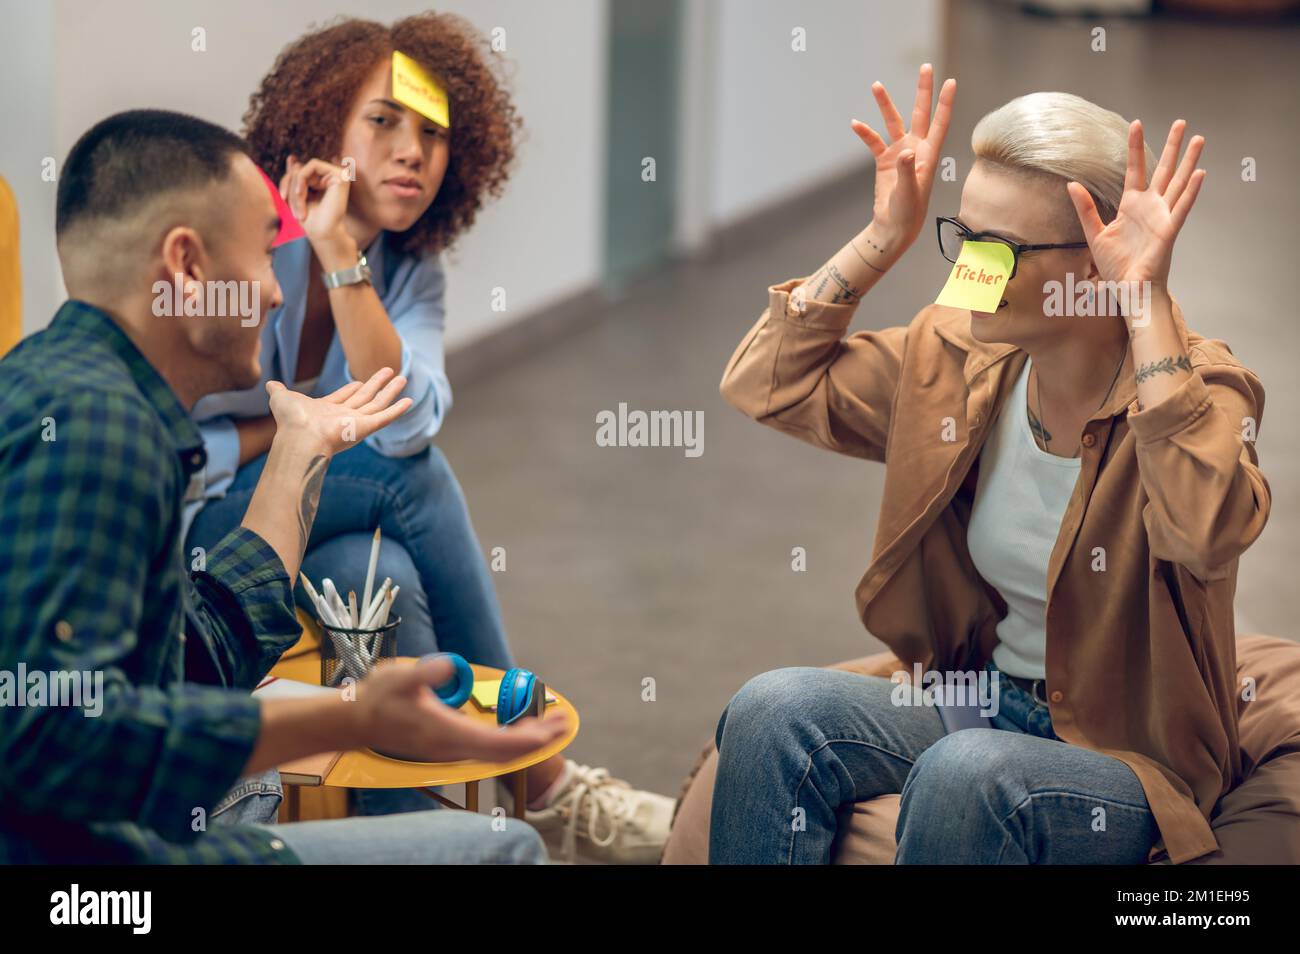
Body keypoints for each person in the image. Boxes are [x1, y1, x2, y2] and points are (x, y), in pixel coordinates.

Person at [711, 65, 1269, 864]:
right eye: (962, 235)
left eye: (997, 248)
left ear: (1098, 261)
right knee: (773, 709)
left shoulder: (1202, 388)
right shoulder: (958, 351)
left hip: (1126, 760)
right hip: (976, 703)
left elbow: (1206, 533)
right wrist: (881, 242)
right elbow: (768, 384)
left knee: (965, 771)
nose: (968, 270)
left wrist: (1145, 308)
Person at [0, 108, 569, 864]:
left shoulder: (71, 390)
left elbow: (196, 660)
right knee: (502, 849)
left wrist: (300, 449)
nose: (274, 292)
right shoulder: (99, 428)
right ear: (188, 266)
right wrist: (345, 720)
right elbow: (51, 737)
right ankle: (552, 789)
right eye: (268, 255)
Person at [180, 13, 672, 864]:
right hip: (205, 528)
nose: (413, 150)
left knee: (376, 581)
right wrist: (301, 423)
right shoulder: (243, 236)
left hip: (313, 517)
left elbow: (400, 417)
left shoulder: (409, 270)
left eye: (435, 133)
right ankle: (543, 777)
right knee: (414, 482)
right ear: (319, 125)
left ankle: (405, 835)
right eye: (384, 121)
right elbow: (202, 436)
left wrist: (340, 255)